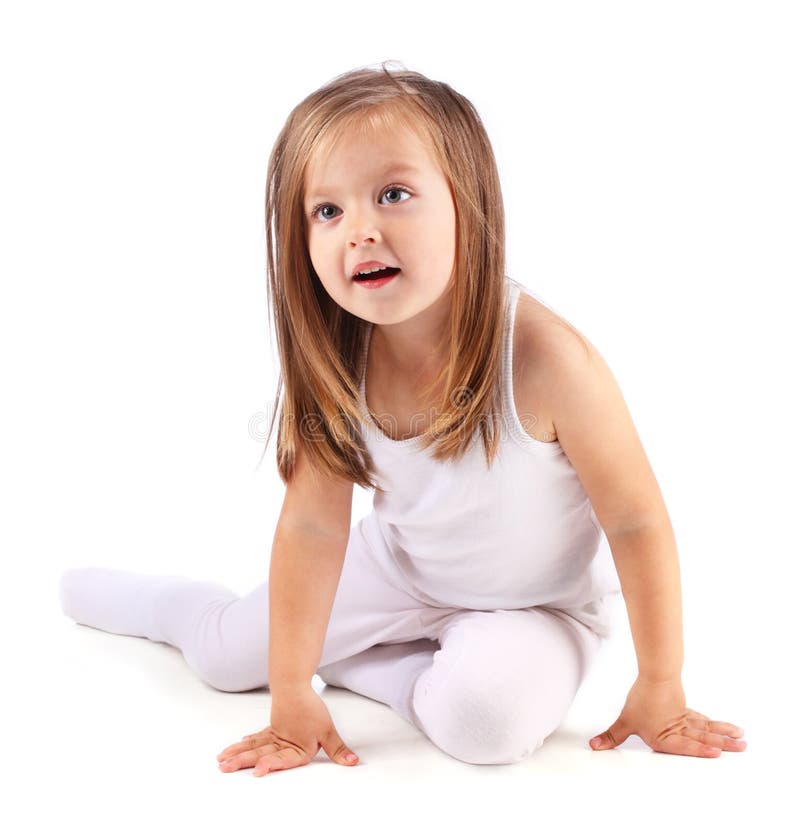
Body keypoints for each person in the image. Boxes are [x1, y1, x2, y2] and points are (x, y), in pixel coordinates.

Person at [59, 61, 747, 776]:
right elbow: (313, 527)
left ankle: (366, 667)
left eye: (393, 195)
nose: (359, 231)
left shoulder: (548, 360)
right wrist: (292, 692)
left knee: (485, 724)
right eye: (327, 211)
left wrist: (661, 682)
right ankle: (132, 598)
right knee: (226, 658)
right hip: (399, 569)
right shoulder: (339, 357)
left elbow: (635, 521)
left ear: (468, 202)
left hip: (537, 607)